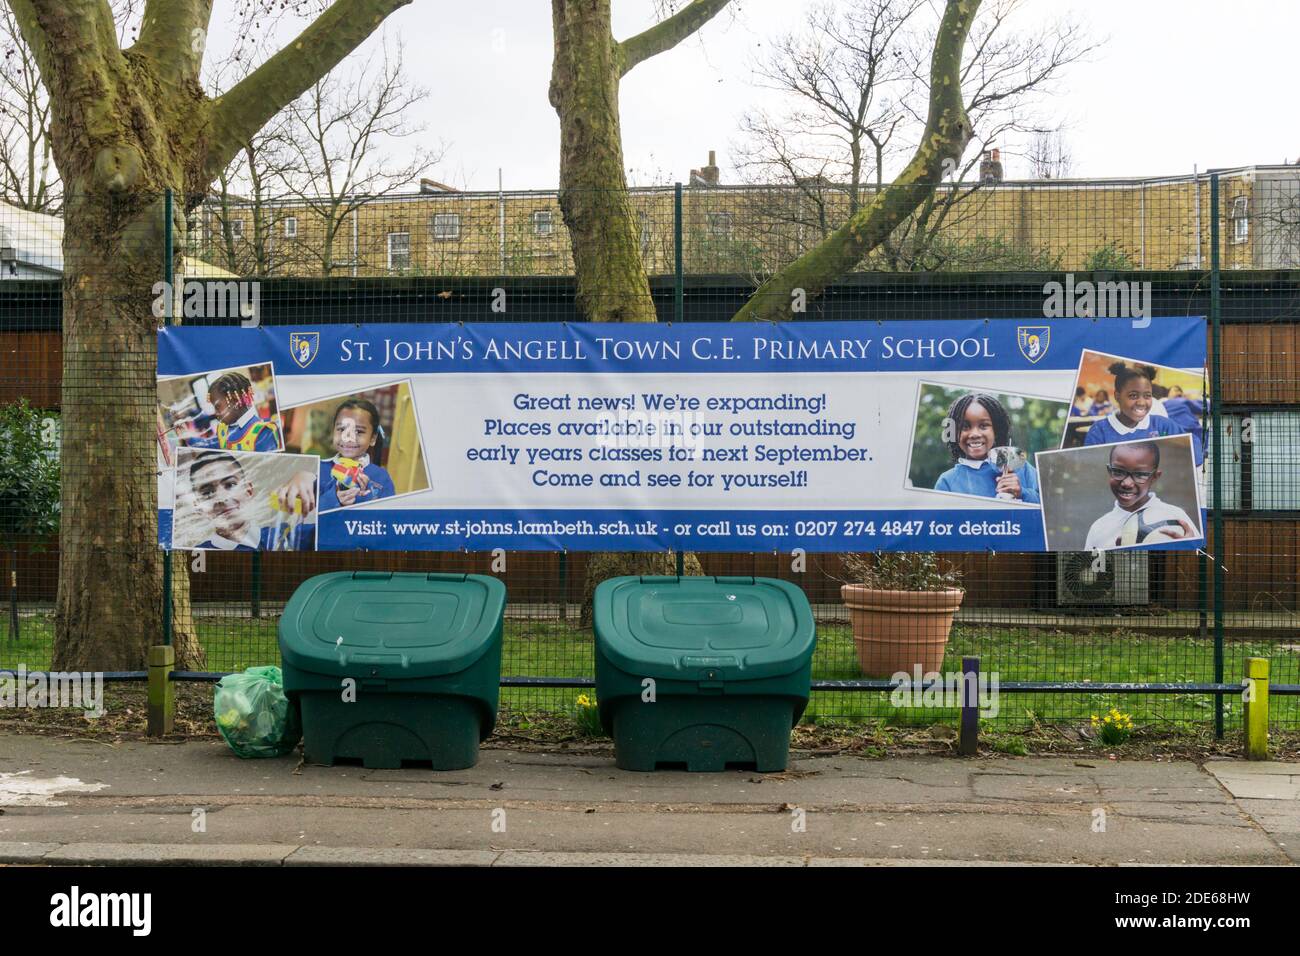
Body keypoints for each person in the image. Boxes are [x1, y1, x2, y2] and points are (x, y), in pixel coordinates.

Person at [273, 398, 398, 514]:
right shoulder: (315, 470)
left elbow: (386, 522)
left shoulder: (382, 478)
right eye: (341, 429)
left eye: (358, 431)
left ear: (373, 438)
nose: (348, 437)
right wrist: (333, 498)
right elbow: (303, 523)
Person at [187, 451, 315, 551]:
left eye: (230, 485)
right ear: (198, 507)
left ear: (248, 491)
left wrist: (310, 478)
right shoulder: (199, 554)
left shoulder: (285, 535)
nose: (221, 497)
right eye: (208, 492)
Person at [1083, 441, 1197, 551]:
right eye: (1118, 471)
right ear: (1109, 470)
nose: (1127, 483)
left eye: (1140, 474)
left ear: (1155, 477)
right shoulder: (1098, 528)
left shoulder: (1175, 516)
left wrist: (1189, 550)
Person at [934, 392, 1040, 503]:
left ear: (996, 431)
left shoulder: (1021, 467)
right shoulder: (947, 482)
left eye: (983, 426)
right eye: (965, 427)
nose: (974, 434)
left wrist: (1022, 493)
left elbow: (1049, 505)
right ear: (954, 433)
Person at [1083, 363, 1183, 448]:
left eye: (1147, 395)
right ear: (1117, 396)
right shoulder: (1099, 431)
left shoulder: (1162, 425)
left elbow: (1192, 446)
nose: (1141, 403)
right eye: (1133, 395)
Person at [182, 372, 281, 452]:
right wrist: (188, 437)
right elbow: (211, 445)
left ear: (235, 401)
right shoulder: (223, 430)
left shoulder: (263, 432)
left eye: (218, 407)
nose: (215, 413)